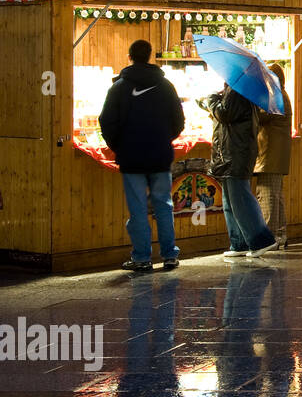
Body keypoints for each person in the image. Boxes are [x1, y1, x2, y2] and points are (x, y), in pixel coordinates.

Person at [99, 39, 186, 271]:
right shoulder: (166, 86)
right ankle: (169, 255)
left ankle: (141, 258)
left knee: (138, 210)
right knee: (164, 206)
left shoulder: (119, 88)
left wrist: (119, 146)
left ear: (129, 57)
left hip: (132, 158)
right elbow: (179, 120)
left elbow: (106, 121)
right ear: (149, 56)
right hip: (160, 156)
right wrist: (164, 139)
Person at [206, 83, 278, 258]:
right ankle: (239, 243)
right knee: (231, 202)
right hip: (230, 153)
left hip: (236, 153)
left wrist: (211, 99)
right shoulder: (236, 90)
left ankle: (261, 240)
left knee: (240, 200)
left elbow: (225, 113)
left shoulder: (238, 89)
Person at [255, 63, 292, 251]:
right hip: (274, 155)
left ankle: (269, 238)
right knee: (275, 197)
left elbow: (260, 117)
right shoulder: (280, 95)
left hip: (270, 155)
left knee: (267, 196)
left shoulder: (276, 97)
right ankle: (279, 235)